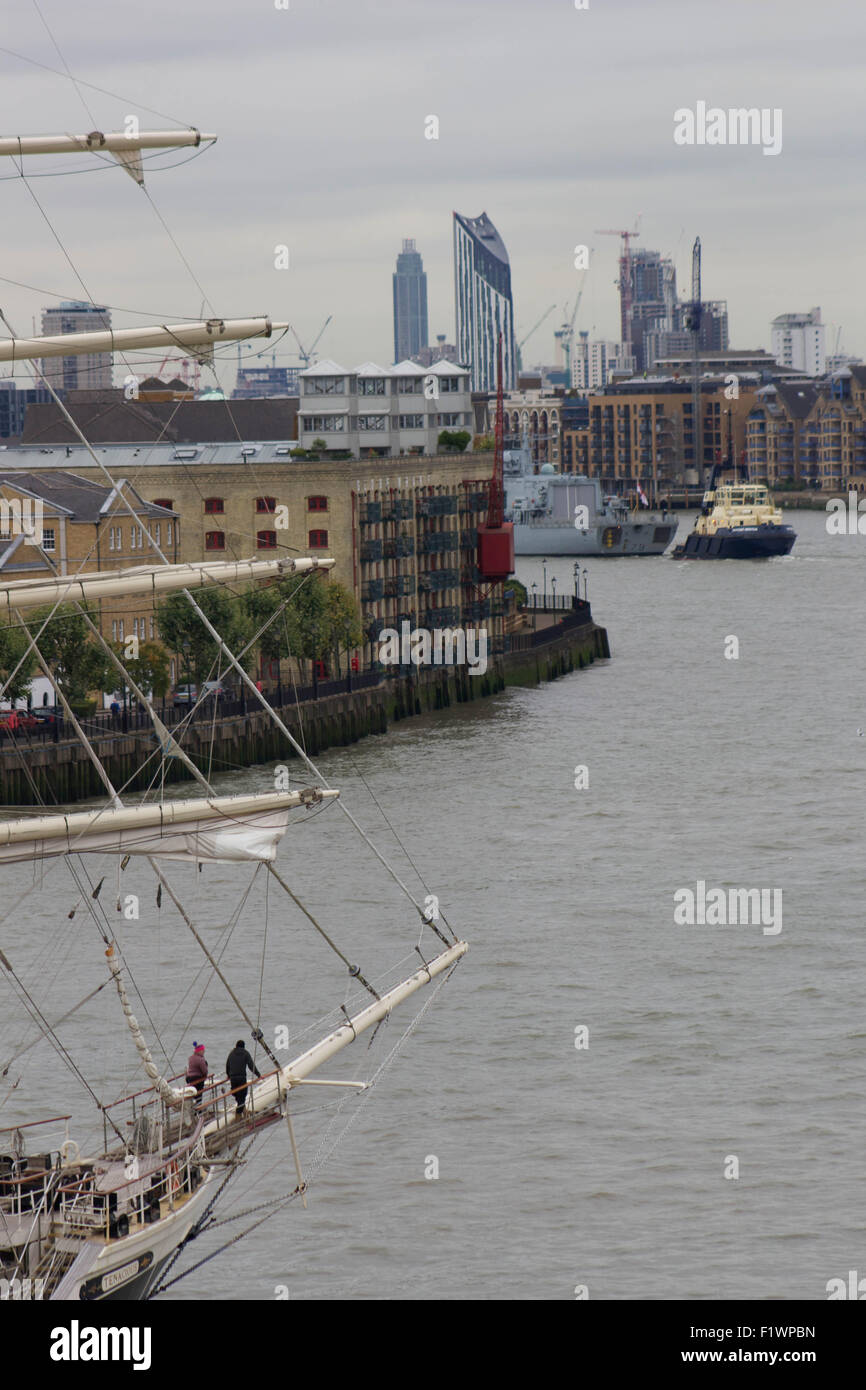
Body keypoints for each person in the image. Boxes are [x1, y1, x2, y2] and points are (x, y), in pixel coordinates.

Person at [225, 1039, 261, 1118]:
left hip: (233, 1078)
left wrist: (228, 1075)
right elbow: (251, 1066)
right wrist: (258, 1074)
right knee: (242, 1096)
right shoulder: (245, 1053)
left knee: (237, 1095)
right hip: (241, 1078)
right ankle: (238, 1114)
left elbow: (227, 1065)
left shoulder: (231, 1053)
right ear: (243, 1046)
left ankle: (242, 1112)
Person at [185, 1041, 208, 1108]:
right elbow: (204, 1071)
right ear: (199, 1051)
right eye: (203, 1050)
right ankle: (198, 1109)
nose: (204, 1052)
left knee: (193, 1095)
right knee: (199, 1095)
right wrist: (205, 1075)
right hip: (198, 1078)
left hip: (190, 1078)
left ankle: (194, 1108)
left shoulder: (191, 1058)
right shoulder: (200, 1059)